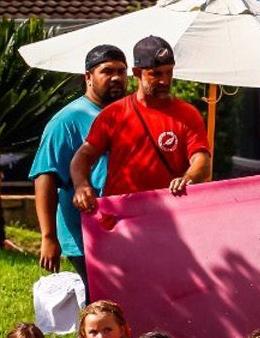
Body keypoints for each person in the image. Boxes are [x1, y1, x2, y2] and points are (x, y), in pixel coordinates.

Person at [70, 35, 211, 217]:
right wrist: (81, 186)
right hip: (121, 219)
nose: (165, 81)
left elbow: (202, 160)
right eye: (156, 74)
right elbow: (82, 157)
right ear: (137, 73)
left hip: (170, 217)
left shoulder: (188, 114)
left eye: (169, 72)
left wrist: (188, 178)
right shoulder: (113, 114)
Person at [32, 45, 128, 276]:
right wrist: (48, 237)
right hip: (84, 234)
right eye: (107, 71)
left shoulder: (129, 114)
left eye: (122, 71)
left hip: (126, 231)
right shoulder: (68, 120)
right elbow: (45, 176)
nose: (116, 77)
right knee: (100, 305)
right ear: (88, 77)